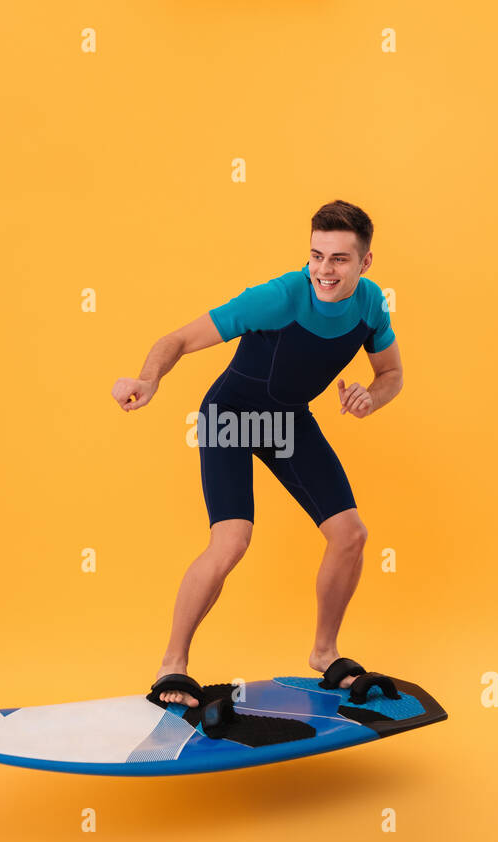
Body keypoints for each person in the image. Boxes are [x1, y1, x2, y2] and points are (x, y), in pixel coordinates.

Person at [110, 200, 403, 708]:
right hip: (231, 414)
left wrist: (370, 398)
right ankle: (172, 665)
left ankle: (324, 652)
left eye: (338, 259)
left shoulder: (372, 306)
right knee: (231, 543)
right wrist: (147, 379)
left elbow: (392, 374)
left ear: (365, 263)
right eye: (316, 256)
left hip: (289, 420)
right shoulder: (279, 297)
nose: (323, 271)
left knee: (350, 535)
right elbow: (178, 338)